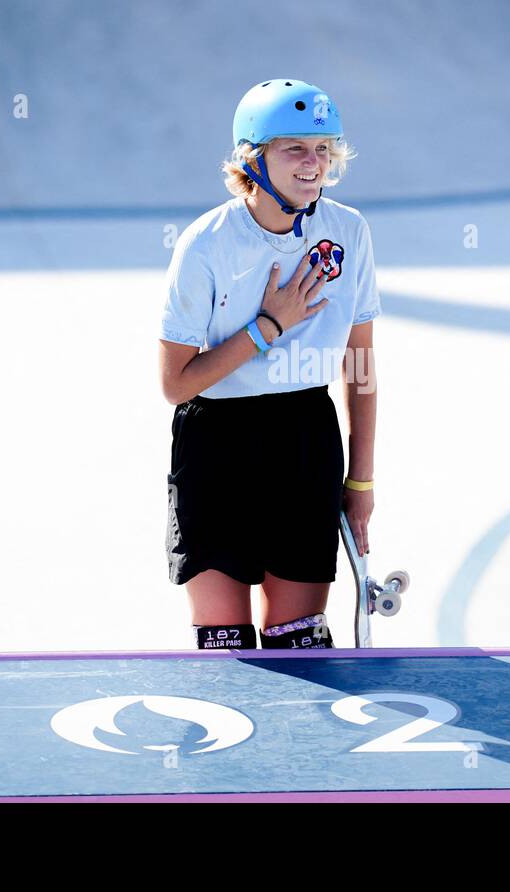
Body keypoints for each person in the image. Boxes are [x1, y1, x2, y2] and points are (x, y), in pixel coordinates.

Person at [158, 79, 381, 651]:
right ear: (252, 160)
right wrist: (267, 327)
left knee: (298, 649)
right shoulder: (205, 245)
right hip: (215, 442)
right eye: (295, 149)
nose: (314, 164)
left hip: (305, 436)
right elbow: (174, 383)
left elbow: (360, 369)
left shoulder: (348, 231)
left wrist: (361, 480)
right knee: (225, 652)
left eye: (324, 150)